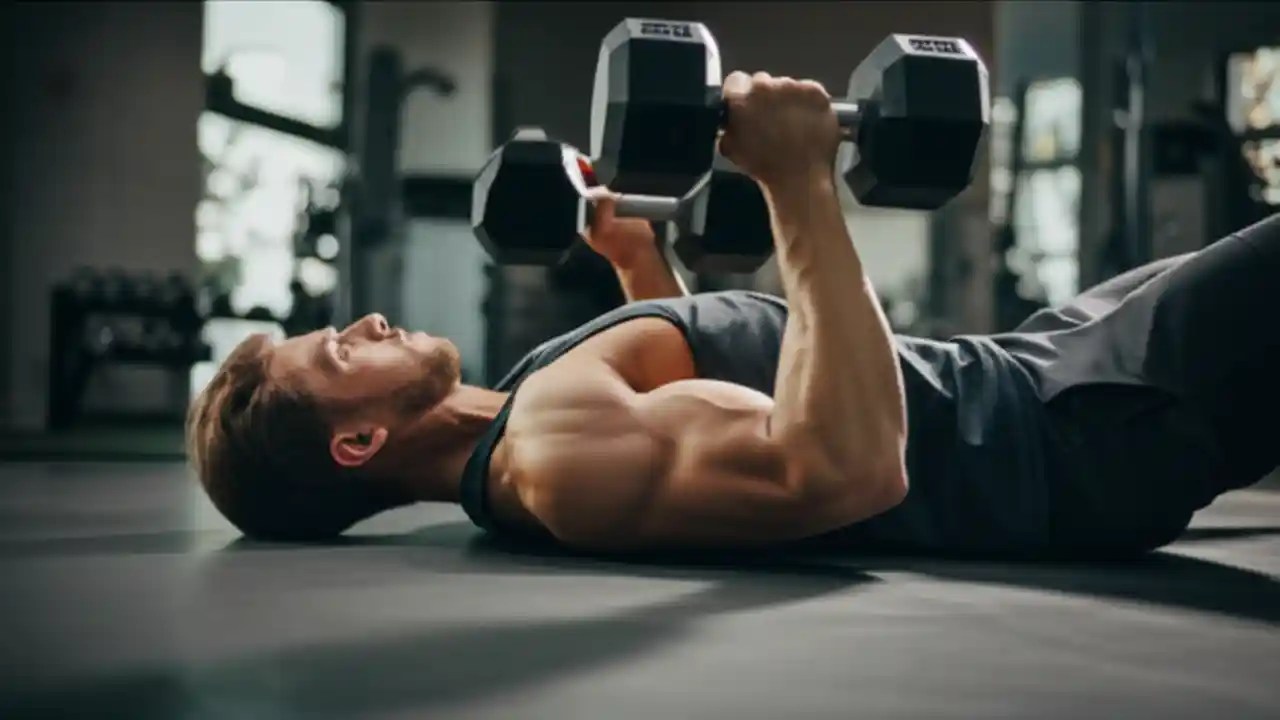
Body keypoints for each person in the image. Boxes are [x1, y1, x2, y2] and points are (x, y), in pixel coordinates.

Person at [186, 71, 1279, 558]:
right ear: (358, 439)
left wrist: (639, 268)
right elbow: (838, 470)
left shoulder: (529, 417)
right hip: (1068, 429)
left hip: (1032, 370)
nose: (366, 319)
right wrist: (797, 183)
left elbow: (709, 401)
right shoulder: (553, 457)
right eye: (337, 349)